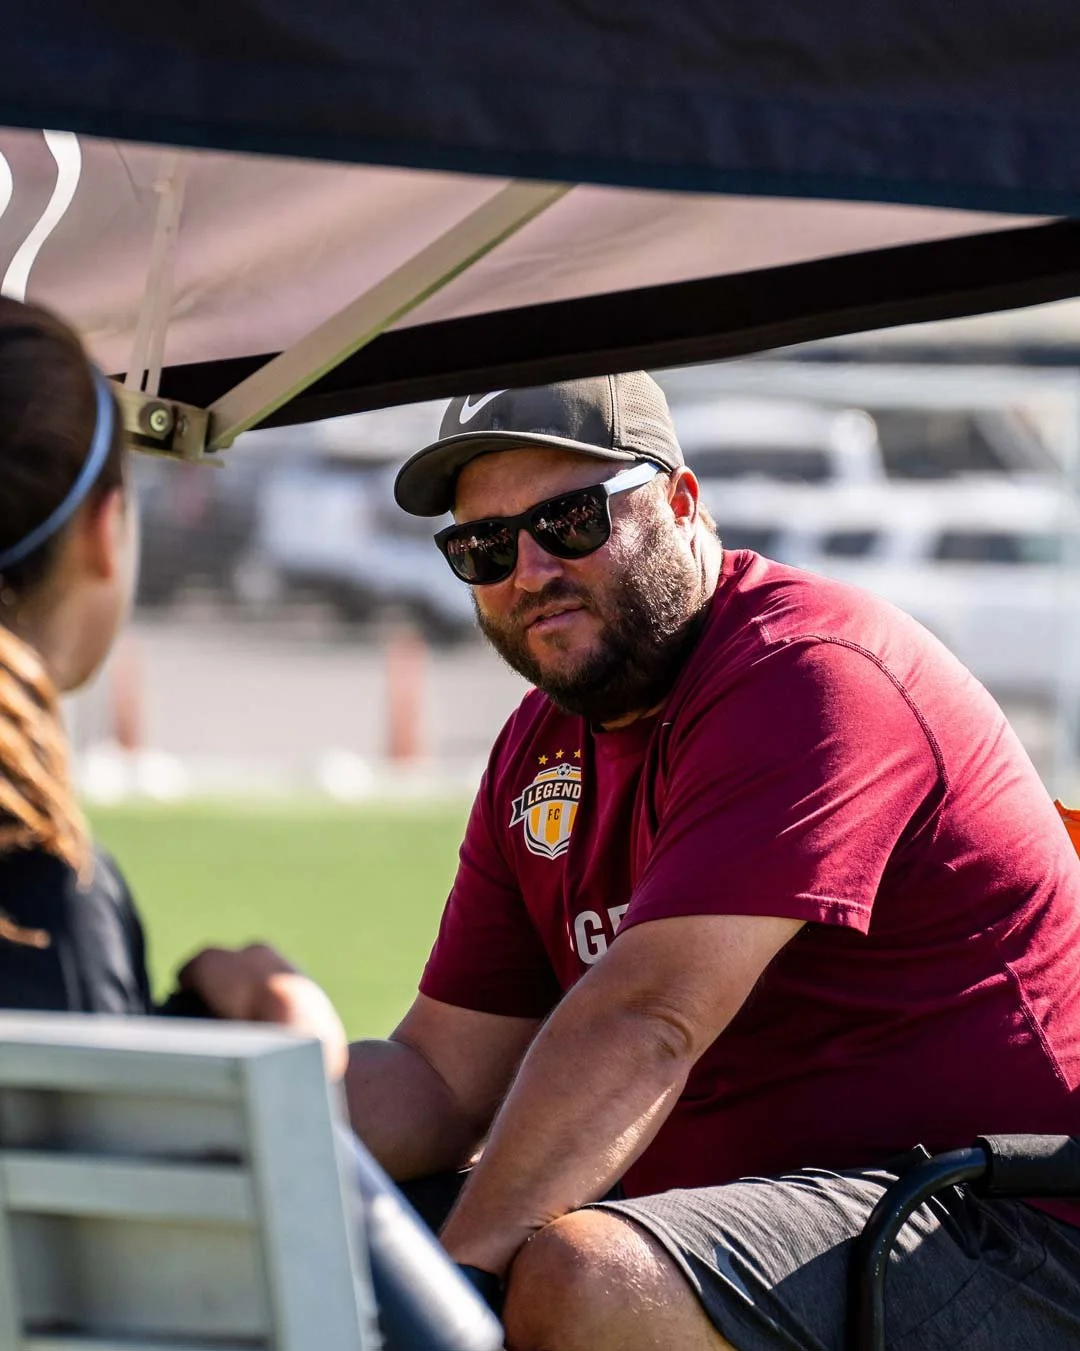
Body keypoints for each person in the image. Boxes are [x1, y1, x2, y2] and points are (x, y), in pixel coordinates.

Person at [344, 373, 1080, 1351]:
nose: (526, 570)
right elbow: (440, 1076)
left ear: (683, 503)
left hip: (1006, 1224)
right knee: (355, 1229)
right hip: (793, 1224)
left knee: (579, 1278)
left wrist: (449, 1294)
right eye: (480, 547)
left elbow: (649, 1019)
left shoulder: (809, 675)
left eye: (567, 521)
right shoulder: (538, 747)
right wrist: (239, 1130)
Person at [0, 296, 346, 1076]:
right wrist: (298, 1054)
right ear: (104, 529)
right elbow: (83, 1184)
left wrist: (170, 1028)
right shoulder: (43, 897)